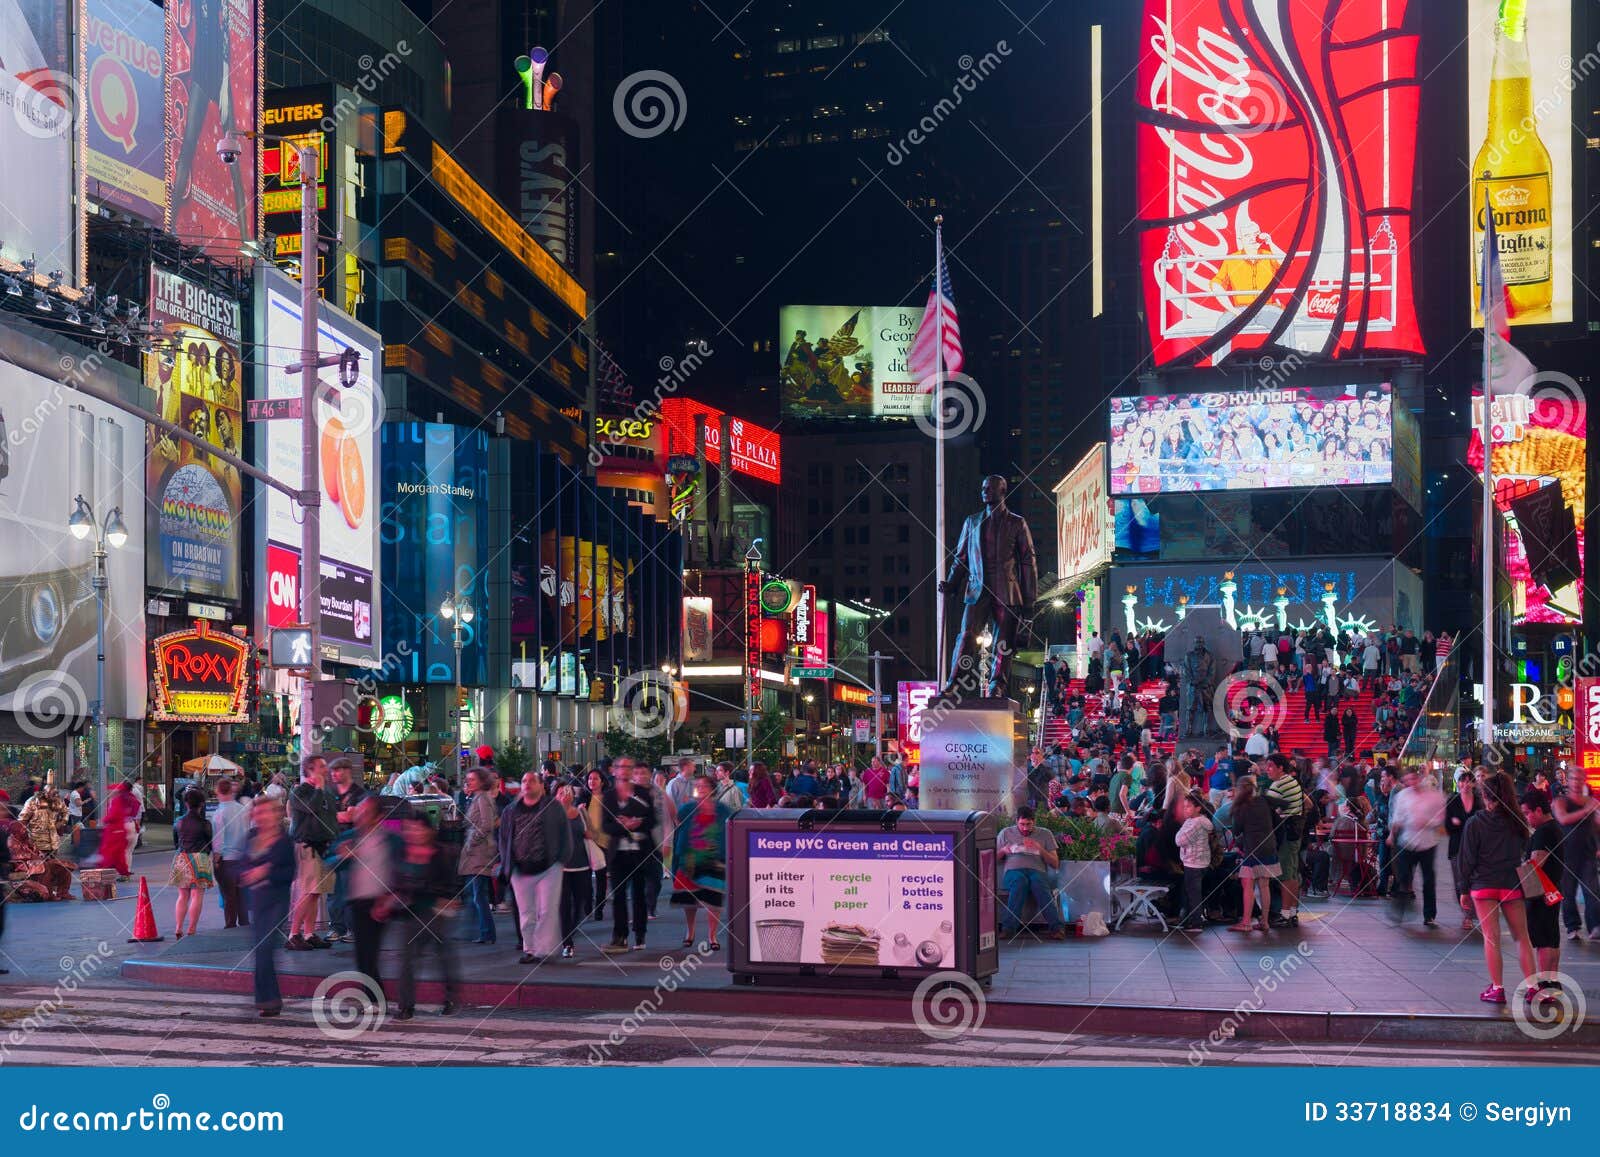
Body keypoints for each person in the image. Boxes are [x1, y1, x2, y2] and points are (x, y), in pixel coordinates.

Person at [1457, 771, 1537, 1004]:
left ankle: (1497, 988)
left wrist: (1463, 889)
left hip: (1483, 886)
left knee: (1491, 939)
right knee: (1522, 938)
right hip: (1512, 884)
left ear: (1485, 796)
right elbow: (1525, 851)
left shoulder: (1475, 823)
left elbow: (1466, 859)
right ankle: (1532, 987)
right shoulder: (1518, 822)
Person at [387, 810, 461, 1019]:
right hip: (410, 912)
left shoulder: (441, 853)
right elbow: (395, 879)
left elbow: (451, 883)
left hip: (436, 912)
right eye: (409, 828)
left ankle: (451, 999)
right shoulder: (401, 853)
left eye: (418, 828)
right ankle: (406, 1006)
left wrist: (448, 898)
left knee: (444, 957)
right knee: (407, 960)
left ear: (429, 830)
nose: (413, 833)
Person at [498, 771, 572, 964]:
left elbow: (565, 833)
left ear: (541, 785)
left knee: (547, 910)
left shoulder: (553, 807)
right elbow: (504, 838)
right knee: (526, 912)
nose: (527, 784)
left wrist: (562, 859)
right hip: (520, 869)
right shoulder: (510, 810)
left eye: (532, 780)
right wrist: (507, 863)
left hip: (549, 866)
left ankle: (545, 949)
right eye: (524, 781)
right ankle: (530, 949)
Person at [242, 796, 295, 1017]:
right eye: (258, 813)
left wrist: (267, 872)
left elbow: (290, 873)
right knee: (260, 950)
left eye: (266, 812)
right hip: (257, 900)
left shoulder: (284, 841)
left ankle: (268, 999)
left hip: (276, 901)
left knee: (264, 948)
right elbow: (241, 865)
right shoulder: (252, 836)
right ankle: (267, 999)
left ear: (276, 814)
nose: (261, 817)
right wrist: (247, 874)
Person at [671, 775, 733, 951]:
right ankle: (690, 932)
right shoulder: (688, 807)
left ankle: (712, 936)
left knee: (713, 899)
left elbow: (730, 827)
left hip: (714, 859)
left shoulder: (722, 809)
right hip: (690, 859)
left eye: (704, 785)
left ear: (712, 789)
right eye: (698, 785)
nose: (700, 788)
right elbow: (677, 821)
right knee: (689, 899)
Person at [600, 762, 655, 953]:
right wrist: (623, 826)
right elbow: (605, 826)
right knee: (619, 895)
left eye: (628, 767)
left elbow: (652, 820)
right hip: (618, 853)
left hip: (639, 851)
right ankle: (620, 936)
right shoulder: (609, 796)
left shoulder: (642, 793)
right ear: (614, 771)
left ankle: (640, 934)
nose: (624, 770)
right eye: (621, 767)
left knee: (639, 894)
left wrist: (637, 822)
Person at [287, 758, 339, 950]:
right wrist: (318, 788)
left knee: (316, 893)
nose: (326, 769)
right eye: (322, 766)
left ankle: (309, 933)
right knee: (308, 891)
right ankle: (294, 934)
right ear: (310, 769)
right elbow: (311, 808)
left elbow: (331, 817)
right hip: (308, 845)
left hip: (324, 845)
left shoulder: (326, 791)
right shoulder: (299, 791)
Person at [1522, 788, 1567, 1006]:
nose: (1526, 818)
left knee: (1543, 941)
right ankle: (1552, 982)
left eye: (1527, 813)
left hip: (1540, 892)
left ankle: (1544, 986)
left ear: (1538, 811)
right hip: (1552, 890)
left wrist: (1520, 884)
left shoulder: (1543, 833)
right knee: (1551, 937)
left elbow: (1534, 864)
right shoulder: (1554, 828)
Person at [996, 807, 1065, 939]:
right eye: (1022, 824)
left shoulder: (1045, 834)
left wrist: (1040, 849)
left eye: (1028, 824)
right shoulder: (1006, 833)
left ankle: (1056, 928)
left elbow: (1055, 863)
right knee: (1020, 881)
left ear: (1034, 822)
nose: (1025, 828)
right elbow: (992, 859)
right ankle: (1008, 928)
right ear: (1016, 821)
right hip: (1013, 871)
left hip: (1037, 871)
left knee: (1038, 882)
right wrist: (1003, 851)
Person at [1388, 768, 1445, 927]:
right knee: (1404, 877)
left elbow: (1440, 817)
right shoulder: (1402, 796)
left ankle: (1429, 915)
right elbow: (1397, 818)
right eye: (1407, 781)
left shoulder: (1433, 796)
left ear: (1419, 778)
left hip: (1427, 843)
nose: (1411, 783)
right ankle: (1401, 909)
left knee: (1428, 880)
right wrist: (1391, 835)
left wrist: (1428, 823)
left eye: (1413, 779)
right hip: (1407, 842)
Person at [1550, 778, 1599, 940]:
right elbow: (1563, 819)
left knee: (1592, 891)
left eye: (1580, 779)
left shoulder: (1591, 802)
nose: (1577, 783)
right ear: (1569, 781)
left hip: (1587, 853)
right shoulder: (1560, 801)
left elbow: (1598, 823)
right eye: (1574, 779)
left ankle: (1595, 925)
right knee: (1568, 892)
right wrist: (1587, 810)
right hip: (1566, 853)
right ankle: (1573, 927)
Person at [326, 758, 368, 943]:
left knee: (350, 889)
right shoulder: (329, 793)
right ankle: (336, 927)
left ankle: (352, 928)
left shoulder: (359, 793)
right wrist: (340, 815)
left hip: (352, 847)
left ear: (347, 771)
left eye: (337, 770)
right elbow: (323, 816)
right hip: (331, 847)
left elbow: (356, 817)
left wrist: (336, 815)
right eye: (332, 771)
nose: (333, 774)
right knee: (333, 890)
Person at [1229, 776, 1277, 933]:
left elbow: (1236, 830)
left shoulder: (1241, 807)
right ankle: (1265, 922)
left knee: (1247, 884)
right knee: (1264, 885)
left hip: (1252, 849)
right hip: (1269, 846)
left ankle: (1246, 922)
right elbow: (1283, 806)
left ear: (1238, 789)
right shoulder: (1263, 800)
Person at [458, 767, 500, 945]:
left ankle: (487, 932)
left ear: (482, 781)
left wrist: (472, 841)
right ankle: (484, 931)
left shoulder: (482, 798)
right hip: (476, 852)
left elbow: (486, 824)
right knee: (476, 894)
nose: (468, 782)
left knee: (478, 895)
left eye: (472, 779)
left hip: (479, 852)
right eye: (467, 779)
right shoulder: (477, 797)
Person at [1263, 754, 1304, 927]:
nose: (1267, 769)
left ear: (1281, 768)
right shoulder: (1292, 781)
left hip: (1285, 834)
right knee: (1293, 873)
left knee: (1286, 874)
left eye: (1271, 766)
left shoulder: (1277, 786)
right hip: (1295, 832)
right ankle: (1292, 912)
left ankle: (1285, 915)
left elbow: (1267, 812)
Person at [169, 786, 214, 939]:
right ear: (201, 804)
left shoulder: (178, 822)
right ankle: (192, 928)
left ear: (186, 804)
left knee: (182, 895)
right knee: (197, 895)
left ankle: (178, 927)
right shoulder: (205, 823)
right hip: (200, 858)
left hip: (182, 857)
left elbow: (176, 843)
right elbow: (210, 842)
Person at [557, 785, 596, 959]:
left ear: (573, 795)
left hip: (582, 865)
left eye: (568, 792)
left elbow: (592, 834)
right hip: (561, 867)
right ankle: (567, 942)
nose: (565, 795)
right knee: (564, 905)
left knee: (579, 904)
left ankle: (570, 931)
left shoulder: (580, 812)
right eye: (560, 792)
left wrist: (588, 830)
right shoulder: (553, 815)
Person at [211, 778, 250, 929]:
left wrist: (216, 858)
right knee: (241, 895)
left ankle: (230, 925)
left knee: (229, 896)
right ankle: (244, 922)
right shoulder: (242, 809)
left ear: (218, 791)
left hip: (226, 859)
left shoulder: (219, 813)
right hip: (242, 858)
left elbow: (218, 839)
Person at [1175, 793, 1214, 932]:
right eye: (1184, 806)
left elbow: (1179, 840)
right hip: (1197, 861)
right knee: (1190, 892)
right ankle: (1187, 920)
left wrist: (1180, 831)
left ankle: (1196, 923)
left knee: (1193, 893)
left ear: (1198, 808)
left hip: (1194, 862)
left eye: (1189, 806)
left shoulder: (1196, 824)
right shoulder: (1197, 821)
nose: (1185, 809)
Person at [584, 768, 611, 921]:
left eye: (595, 778)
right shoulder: (584, 798)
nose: (592, 781)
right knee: (586, 878)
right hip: (587, 842)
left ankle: (599, 908)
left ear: (602, 781)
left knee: (601, 878)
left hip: (603, 842)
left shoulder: (608, 799)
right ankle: (587, 906)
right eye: (589, 778)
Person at [99, 782, 138, 879]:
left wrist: (104, 820)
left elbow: (113, 814)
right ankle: (125, 873)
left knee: (118, 851)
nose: (109, 792)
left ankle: (121, 873)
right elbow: (137, 812)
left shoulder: (117, 800)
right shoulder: (133, 798)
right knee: (128, 851)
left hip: (120, 826)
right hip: (131, 824)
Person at [18, 786, 67, 860]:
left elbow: (65, 812)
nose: (56, 796)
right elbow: (22, 820)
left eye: (57, 793)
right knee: (38, 864)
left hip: (53, 842)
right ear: (45, 793)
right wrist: (23, 838)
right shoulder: (33, 801)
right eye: (53, 794)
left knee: (53, 864)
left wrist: (62, 822)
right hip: (36, 842)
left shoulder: (58, 801)